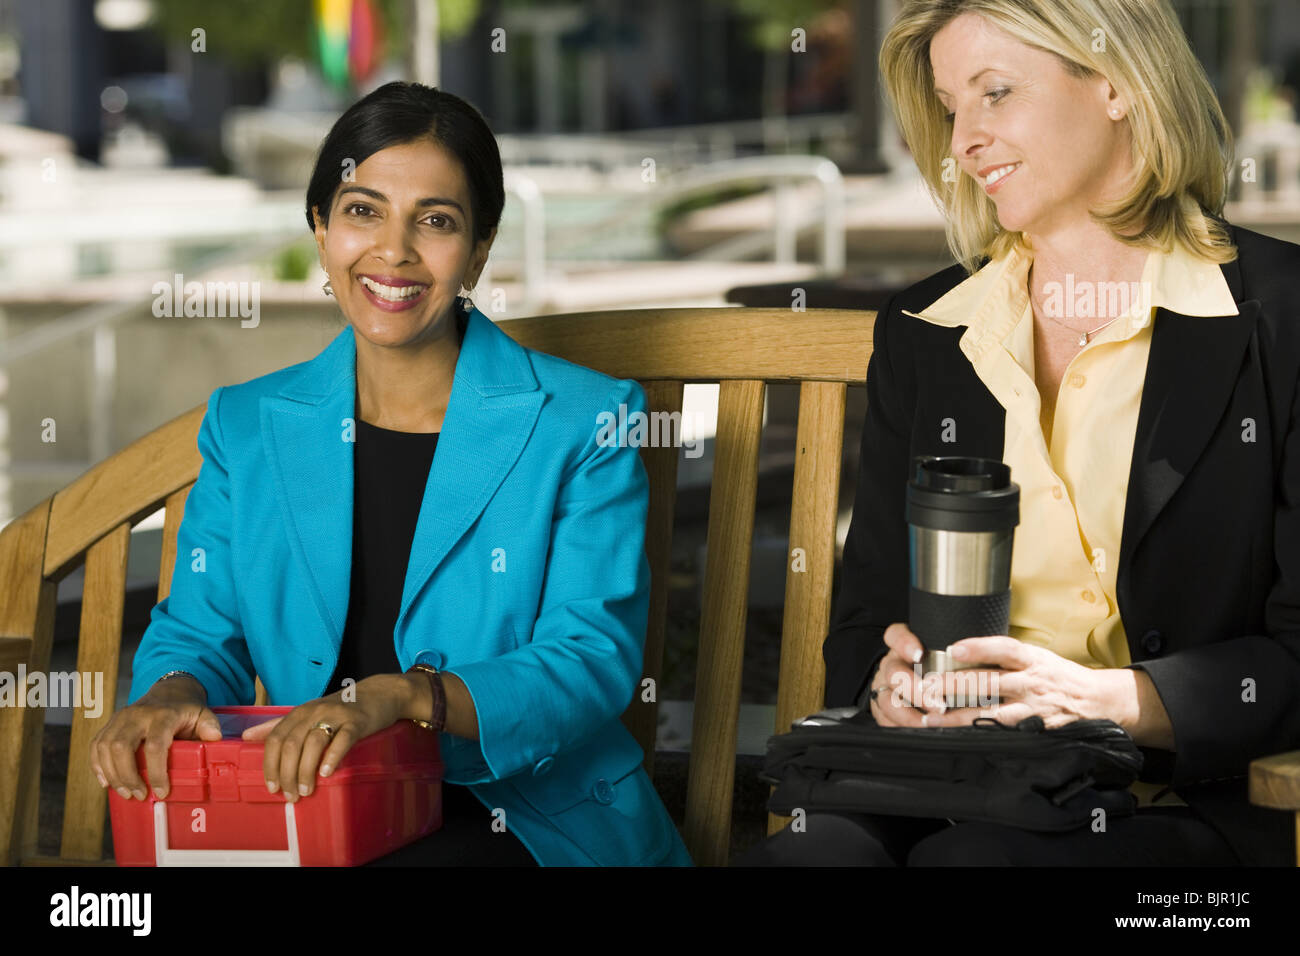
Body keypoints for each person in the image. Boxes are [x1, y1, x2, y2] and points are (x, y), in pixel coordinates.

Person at [740, 0, 1300, 866]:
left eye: (995, 93)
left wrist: (1107, 698)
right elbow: (868, 617)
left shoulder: (1280, 315)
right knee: (812, 860)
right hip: (953, 779)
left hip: (1193, 812)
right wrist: (887, 684)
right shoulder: (927, 329)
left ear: (1116, 83)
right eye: (950, 106)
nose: (962, 141)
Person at [90, 81, 692, 868]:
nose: (394, 251)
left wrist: (409, 696)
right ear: (319, 227)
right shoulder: (248, 424)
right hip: (317, 802)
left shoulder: (583, 421)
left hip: (512, 811)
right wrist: (171, 691)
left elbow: (591, 656)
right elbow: (203, 630)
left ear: (479, 249)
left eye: (435, 221)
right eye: (362, 210)